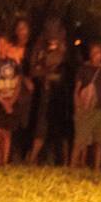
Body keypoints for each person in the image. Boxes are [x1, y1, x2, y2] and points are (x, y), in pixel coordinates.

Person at [26, 16, 73, 165]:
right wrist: (46, 71)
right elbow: (33, 70)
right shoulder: (39, 48)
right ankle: (32, 157)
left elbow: (72, 69)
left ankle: (65, 161)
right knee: (41, 125)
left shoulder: (67, 48)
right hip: (45, 92)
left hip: (62, 92)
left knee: (62, 126)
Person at [70, 40, 101, 170]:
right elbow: (77, 88)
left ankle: (97, 168)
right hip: (87, 107)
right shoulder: (84, 69)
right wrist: (77, 104)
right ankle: (72, 165)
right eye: (92, 52)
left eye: (97, 52)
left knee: (100, 140)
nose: (94, 54)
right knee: (80, 139)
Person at [0, 32, 28, 165]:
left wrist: (11, 101)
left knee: (7, 132)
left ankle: (4, 161)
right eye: (0, 44)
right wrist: (3, 102)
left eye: (5, 44)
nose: (2, 47)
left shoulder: (14, 63)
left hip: (11, 100)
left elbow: (18, 83)